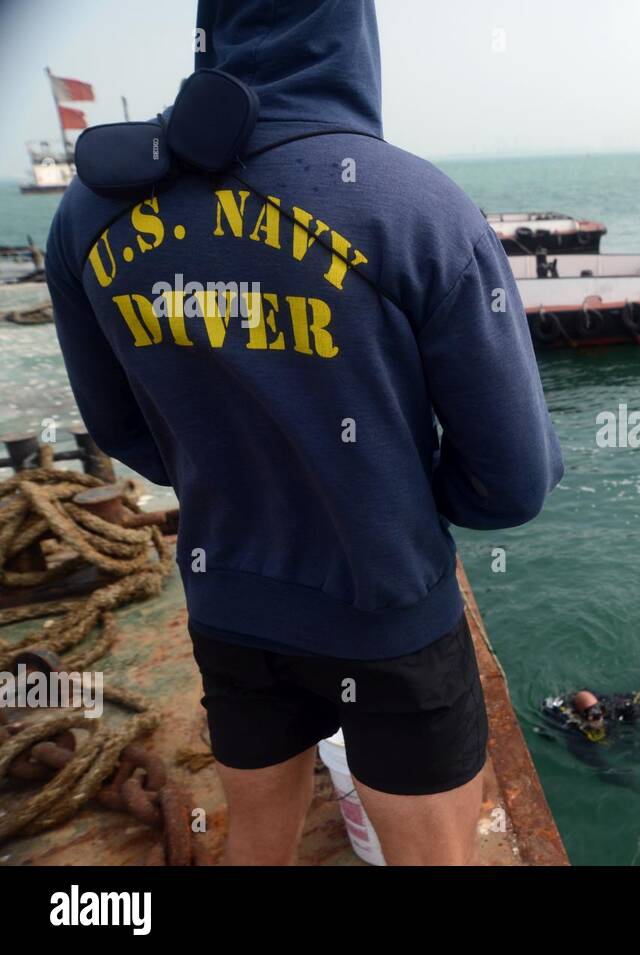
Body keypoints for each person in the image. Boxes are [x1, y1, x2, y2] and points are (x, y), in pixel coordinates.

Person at [45, 0, 562, 865]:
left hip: (230, 599)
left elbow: (121, 427)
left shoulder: (88, 213)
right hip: (389, 611)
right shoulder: (415, 206)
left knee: (256, 846)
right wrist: (389, 494)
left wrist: (225, 473)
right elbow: (512, 481)